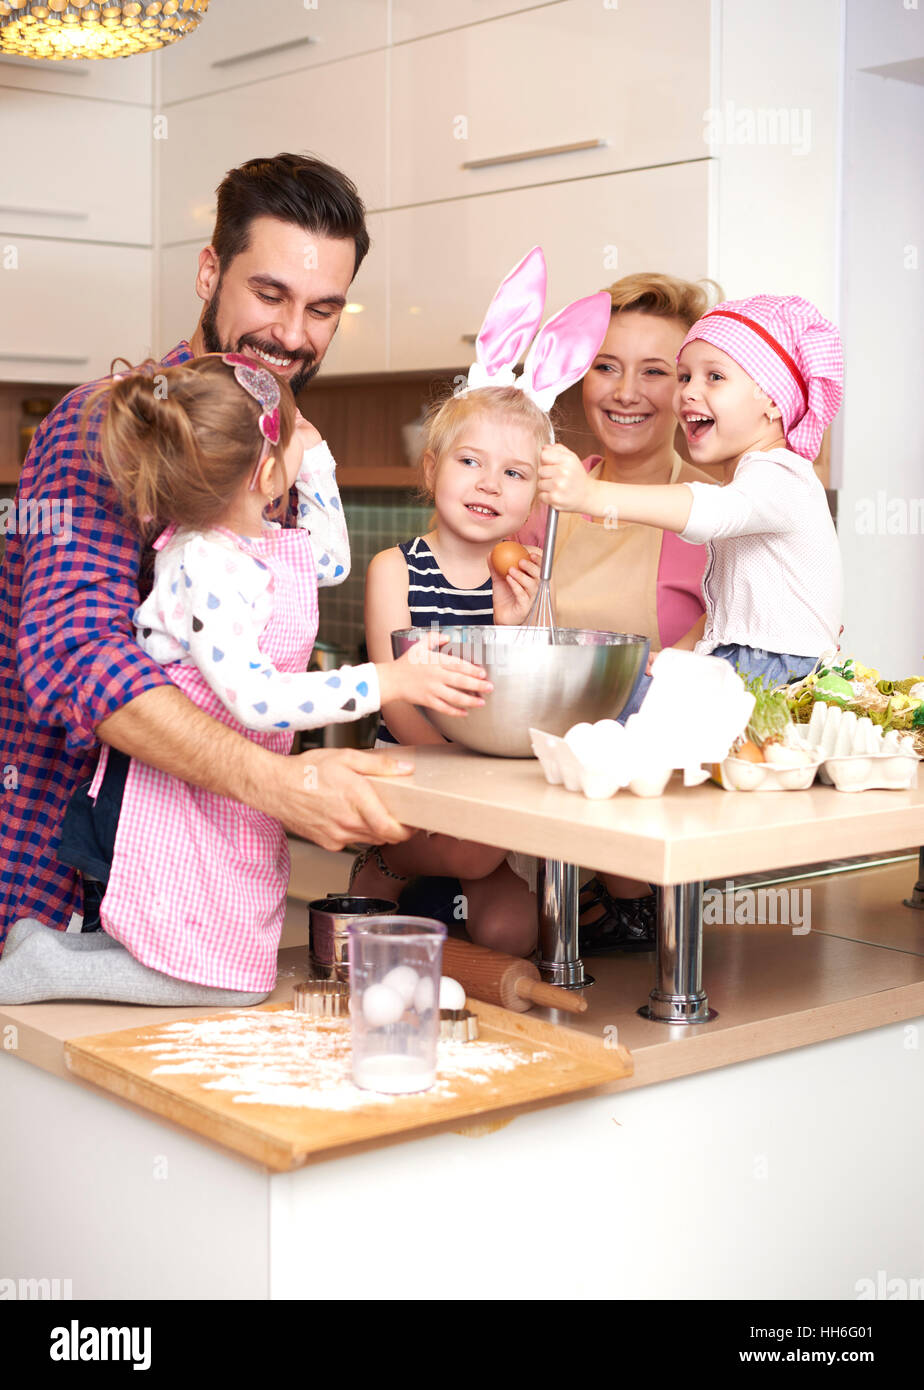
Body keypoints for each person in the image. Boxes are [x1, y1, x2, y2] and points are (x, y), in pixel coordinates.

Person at [0, 153, 417, 968]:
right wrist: (282, 785)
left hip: (211, 887)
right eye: (269, 295)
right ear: (209, 271)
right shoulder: (102, 432)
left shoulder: (281, 461)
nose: (293, 336)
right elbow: (71, 657)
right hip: (68, 899)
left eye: (323, 309)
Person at [0, 355, 490, 1005]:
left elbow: (331, 559)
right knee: (227, 981)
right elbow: (259, 701)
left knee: (207, 950)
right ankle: (50, 968)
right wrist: (386, 681)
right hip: (169, 792)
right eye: (292, 444)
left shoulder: (253, 536)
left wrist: (313, 462)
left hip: (224, 793)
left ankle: (45, 947)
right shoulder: (200, 561)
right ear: (265, 473)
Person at [354, 248, 611, 956]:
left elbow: (533, 703)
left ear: (536, 496)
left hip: (487, 800)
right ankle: (382, 863)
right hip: (413, 783)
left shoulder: (528, 577)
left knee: (514, 932)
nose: (490, 484)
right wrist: (463, 782)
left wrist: (514, 625)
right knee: (460, 856)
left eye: (515, 473)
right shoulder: (393, 569)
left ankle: (459, 886)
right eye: (470, 461)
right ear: (433, 467)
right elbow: (400, 702)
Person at [518, 272, 720, 952]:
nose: (626, 391)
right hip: (536, 811)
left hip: (659, 848)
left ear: (690, 387)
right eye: (605, 366)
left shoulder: (719, 513)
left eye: (655, 371)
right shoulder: (543, 495)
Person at [538, 293, 844, 689]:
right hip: (737, 658)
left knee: (630, 715)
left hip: (775, 672)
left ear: (772, 399)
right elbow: (722, 614)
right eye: (684, 376)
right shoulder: (745, 482)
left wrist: (591, 496)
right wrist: (676, 654)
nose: (688, 392)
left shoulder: (783, 476)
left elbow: (713, 510)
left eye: (714, 377)